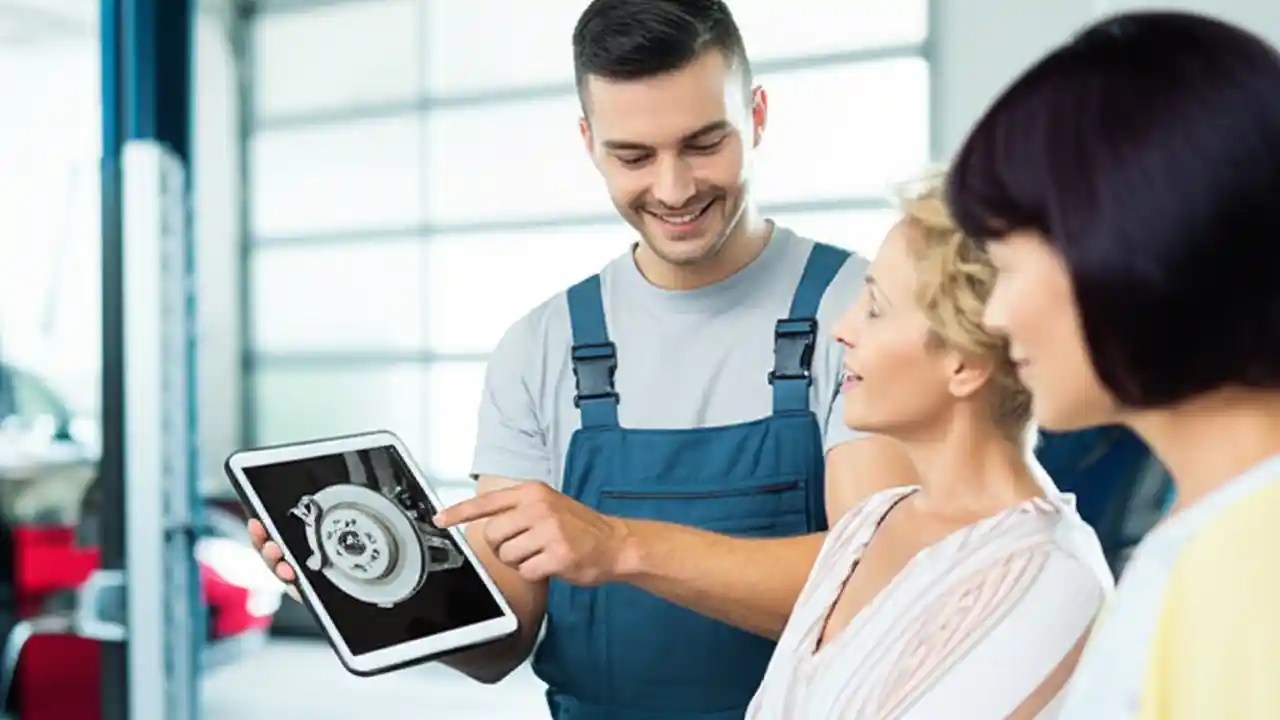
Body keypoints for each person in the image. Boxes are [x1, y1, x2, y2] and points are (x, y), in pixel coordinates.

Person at [250, 1, 916, 718]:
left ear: (756, 117)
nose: (674, 188)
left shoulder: (860, 308)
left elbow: (874, 591)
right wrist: (361, 590)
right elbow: (501, 645)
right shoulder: (540, 348)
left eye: (703, 144)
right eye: (633, 156)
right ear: (588, 142)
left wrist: (621, 546)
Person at [945, 10, 1280, 718]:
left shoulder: (1251, 565)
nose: (995, 317)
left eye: (1005, 266)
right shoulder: (1208, 538)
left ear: (1116, 246)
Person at [744, 173, 1112, 719]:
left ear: (964, 363)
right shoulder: (866, 523)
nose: (842, 329)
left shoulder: (1055, 578)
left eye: (875, 307)